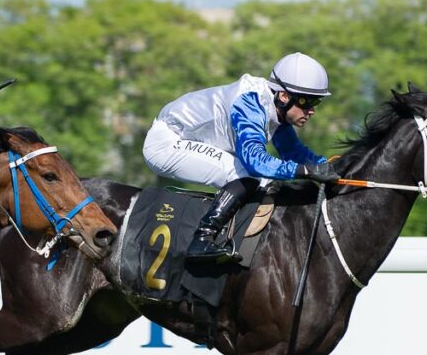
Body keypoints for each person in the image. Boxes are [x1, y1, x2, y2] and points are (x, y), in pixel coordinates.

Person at [143, 52, 341, 264]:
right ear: (284, 96)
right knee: (248, 175)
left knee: (266, 181)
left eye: (316, 103)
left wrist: (330, 166)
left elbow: (294, 152)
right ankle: (202, 239)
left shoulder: (276, 108)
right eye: (306, 101)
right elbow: (254, 161)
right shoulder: (250, 104)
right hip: (166, 143)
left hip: (189, 140)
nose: (311, 110)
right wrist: (304, 171)